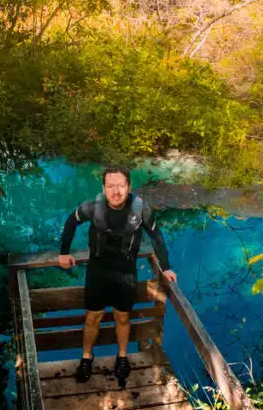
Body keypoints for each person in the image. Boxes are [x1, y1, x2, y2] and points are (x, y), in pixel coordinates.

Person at [58, 165, 177, 386]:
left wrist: (166, 267)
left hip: (126, 273)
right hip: (98, 271)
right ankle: (86, 357)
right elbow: (71, 222)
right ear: (104, 188)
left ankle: (122, 356)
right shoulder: (92, 208)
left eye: (120, 186)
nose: (116, 191)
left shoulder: (142, 210)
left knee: (123, 317)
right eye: (111, 186)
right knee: (92, 317)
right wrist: (64, 253)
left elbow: (157, 237)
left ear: (128, 187)